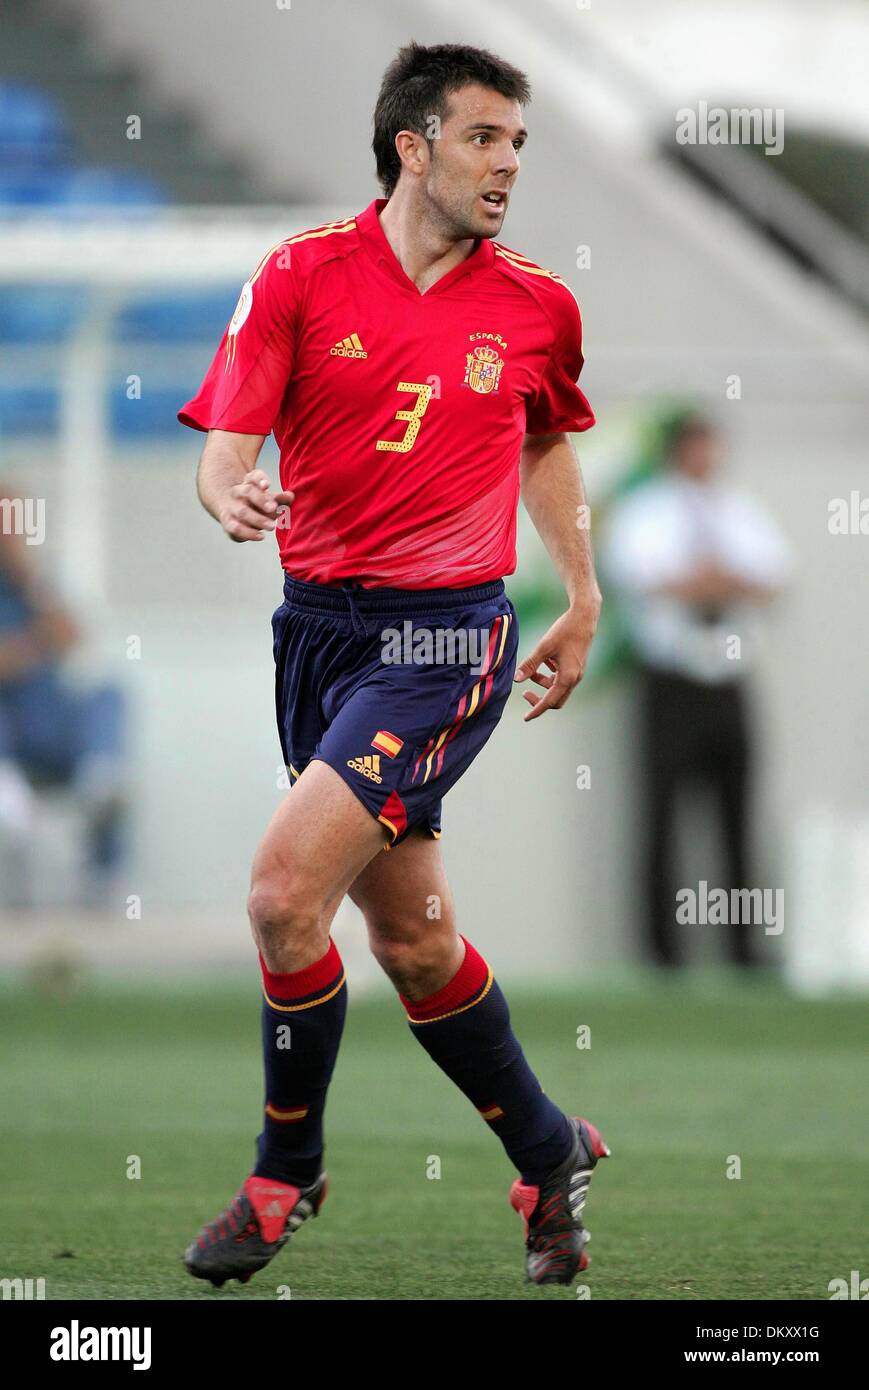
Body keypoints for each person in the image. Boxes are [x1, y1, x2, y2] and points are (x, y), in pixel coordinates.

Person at [178, 41, 609, 1290]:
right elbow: (227, 439)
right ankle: (545, 1149)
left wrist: (579, 595)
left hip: (442, 640)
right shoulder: (302, 275)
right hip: (315, 633)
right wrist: (225, 494)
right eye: (484, 139)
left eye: (518, 143)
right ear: (413, 146)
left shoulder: (533, 304)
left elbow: (546, 443)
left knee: (276, 894)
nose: (507, 165)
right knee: (415, 942)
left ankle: (283, 1168)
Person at [603, 415, 791, 968]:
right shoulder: (646, 513)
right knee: (659, 814)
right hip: (670, 680)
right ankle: (663, 951)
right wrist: (719, 580)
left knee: (737, 814)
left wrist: (708, 579)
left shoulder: (739, 510)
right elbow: (645, 578)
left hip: (728, 677)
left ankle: (742, 947)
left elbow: (774, 578)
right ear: (678, 450)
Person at [0, 487, 127, 905]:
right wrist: (38, 644)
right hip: (10, 734)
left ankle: (100, 776)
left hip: (50, 723)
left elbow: (73, 636)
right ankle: (7, 791)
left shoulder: (33, 584)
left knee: (108, 692)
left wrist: (29, 578)